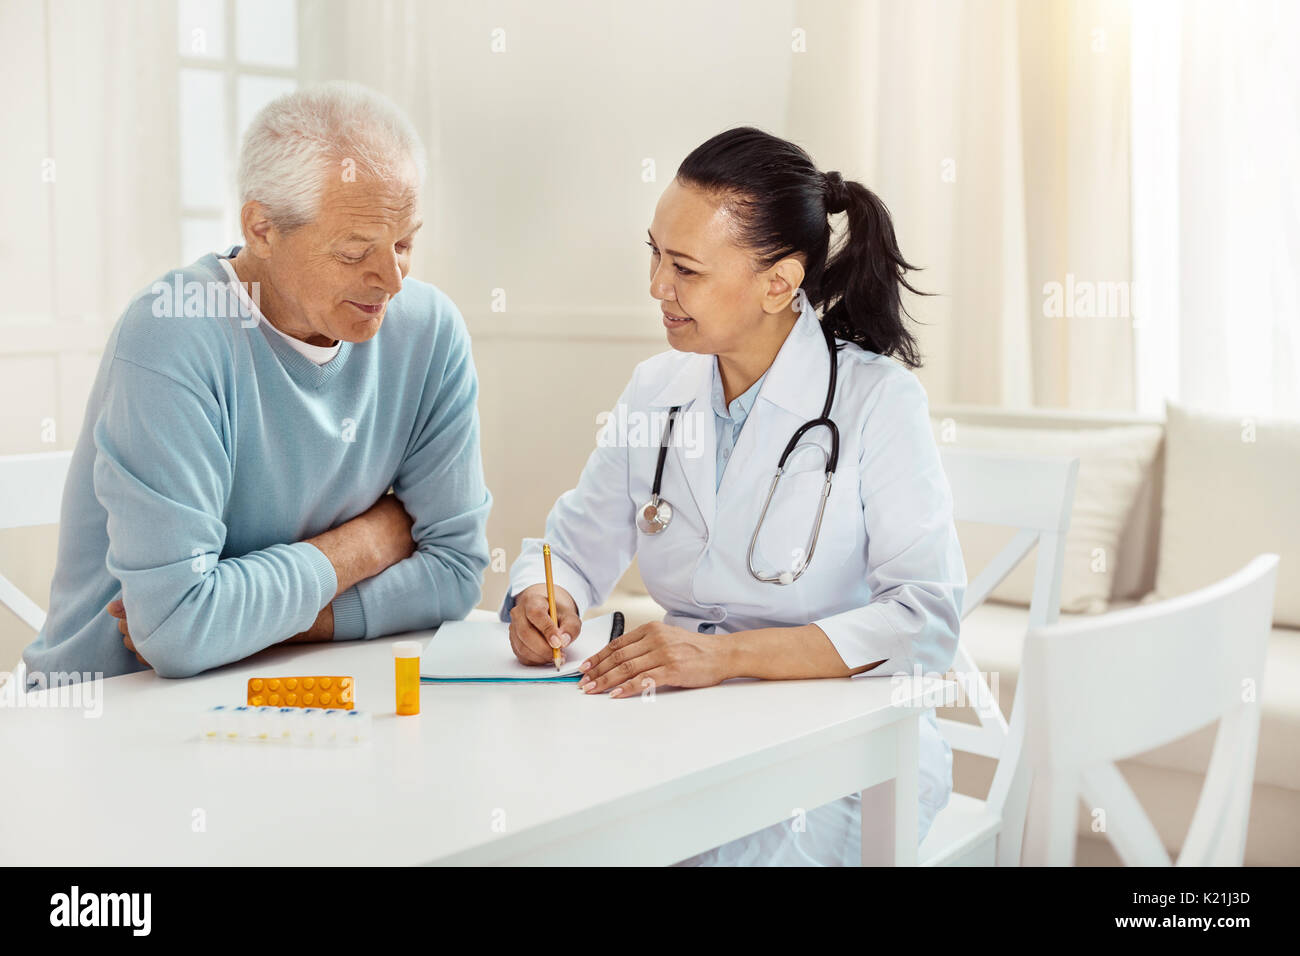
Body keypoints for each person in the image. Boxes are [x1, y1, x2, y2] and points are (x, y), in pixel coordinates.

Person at [503, 127, 965, 865]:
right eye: (653, 253)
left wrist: (725, 658)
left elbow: (925, 623)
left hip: (849, 748)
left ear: (779, 283)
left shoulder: (879, 403)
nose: (657, 286)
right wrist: (539, 599)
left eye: (685, 267)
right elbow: (568, 551)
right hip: (688, 729)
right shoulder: (658, 389)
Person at [23, 82, 490, 685]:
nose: (391, 281)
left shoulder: (429, 332)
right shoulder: (171, 333)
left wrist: (251, 618)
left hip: (293, 693)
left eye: (404, 244)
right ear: (263, 228)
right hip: (109, 712)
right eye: (355, 253)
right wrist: (372, 541)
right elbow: (178, 633)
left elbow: (454, 575)